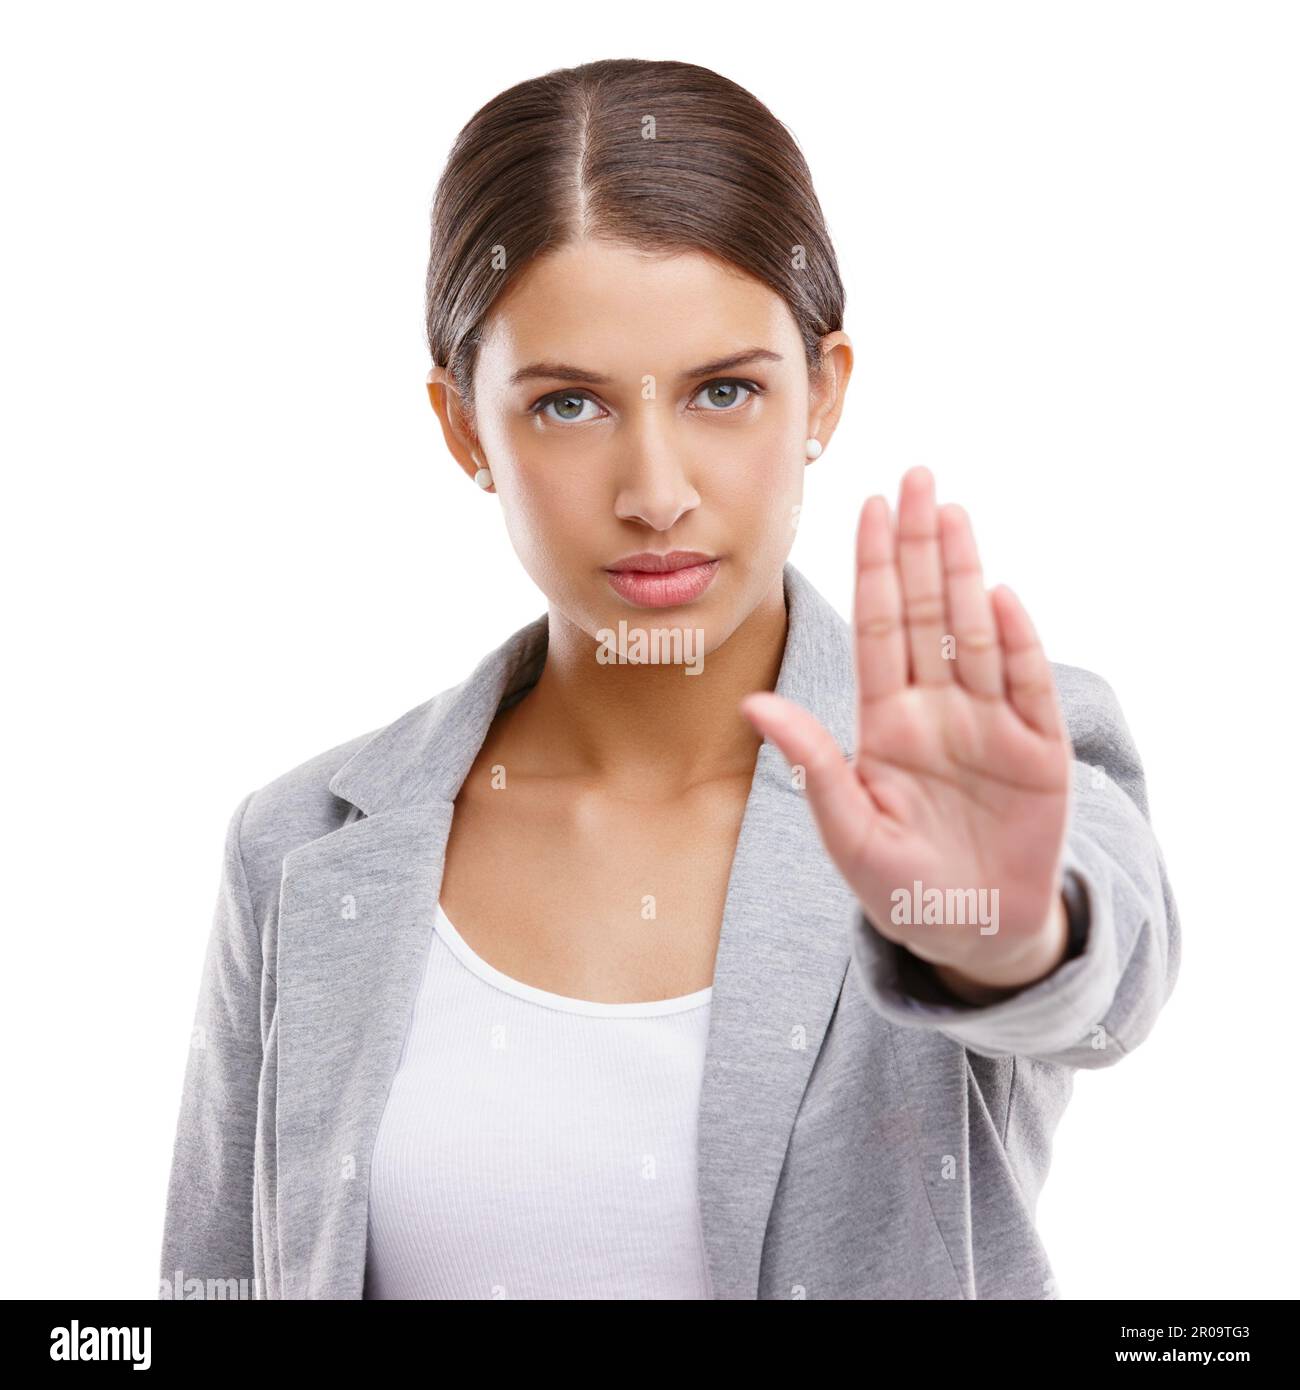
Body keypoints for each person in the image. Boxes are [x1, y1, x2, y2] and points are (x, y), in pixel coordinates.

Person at [159, 57, 1179, 1301]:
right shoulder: (300, 847)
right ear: (463, 426)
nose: (656, 492)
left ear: (824, 393)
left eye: (725, 391)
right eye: (570, 405)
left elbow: (1101, 981)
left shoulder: (982, 756)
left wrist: (993, 929)